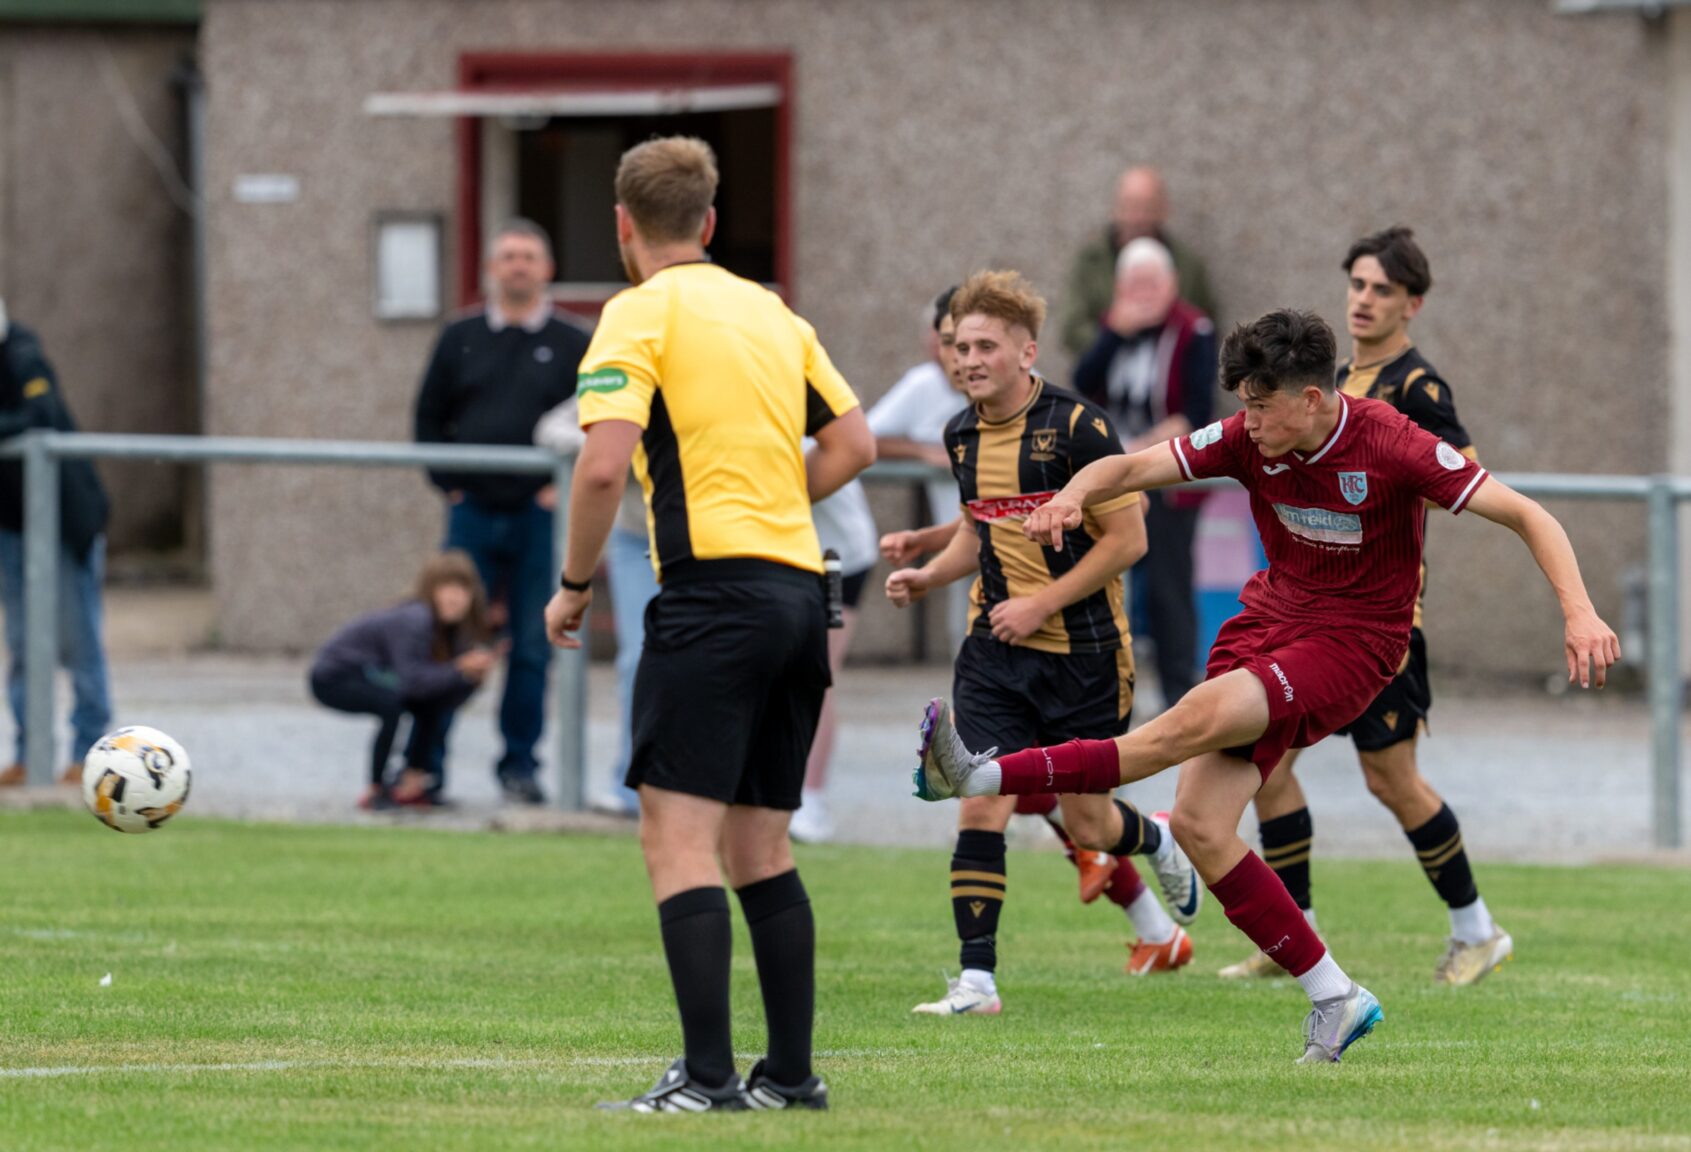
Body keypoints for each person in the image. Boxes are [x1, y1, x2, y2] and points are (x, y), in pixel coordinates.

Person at [911, 308, 1619, 1063]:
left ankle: (981, 771)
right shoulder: (1247, 439)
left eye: (1259, 403)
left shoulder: (1390, 442)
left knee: (1182, 724)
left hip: (1354, 643)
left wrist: (1577, 612)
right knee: (1200, 825)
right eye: (1241, 402)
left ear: (1310, 399)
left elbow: (1524, 513)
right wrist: (1071, 495)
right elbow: (1128, 467)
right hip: (1269, 620)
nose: (1245, 420)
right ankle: (1334, 997)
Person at [543, 136, 875, 1112]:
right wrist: (779, 495)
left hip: (712, 601)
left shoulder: (633, 314)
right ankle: (790, 1076)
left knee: (676, 844)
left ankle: (705, 1079)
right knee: (759, 849)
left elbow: (602, 465)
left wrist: (571, 586)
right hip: (797, 597)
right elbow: (850, 442)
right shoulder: (771, 312)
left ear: (621, 226)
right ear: (710, 223)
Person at [885, 270, 1201, 1017]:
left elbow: (1129, 540)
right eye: (958, 345)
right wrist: (929, 578)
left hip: (1085, 658)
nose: (967, 358)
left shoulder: (1078, 428)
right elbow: (978, 529)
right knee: (977, 798)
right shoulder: (960, 432)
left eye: (984, 345)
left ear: (1026, 352)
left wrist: (1043, 604)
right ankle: (976, 981)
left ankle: (1156, 841)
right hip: (993, 655)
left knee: (1089, 822)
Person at [1220, 227, 1509, 985]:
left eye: (1380, 289)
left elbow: (1462, 480)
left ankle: (1476, 929)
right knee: (1266, 760)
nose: (1363, 299)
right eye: (1355, 283)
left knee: (1391, 781)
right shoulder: (1336, 379)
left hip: (1379, 628)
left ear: (1411, 303)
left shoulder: (1415, 388)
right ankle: (1294, 933)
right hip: (1313, 619)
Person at [413, 218, 590, 805]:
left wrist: (562, 488)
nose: (518, 266)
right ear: (490, 269)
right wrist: (451, 485)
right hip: (471, 514)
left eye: (529, 257)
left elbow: (598, 420)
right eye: (508, 256)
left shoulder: (574, 342)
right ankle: (426, 764)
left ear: (548, 269)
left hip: (539, 515)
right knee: (448, 638)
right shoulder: (460, 336)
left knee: (534, 644)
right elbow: (428, 418)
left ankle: (520, 766)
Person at [1074, 237, 1216, 704]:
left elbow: (1196, 413)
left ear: (1173, 284)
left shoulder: (1194, 329)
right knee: (1103, 577)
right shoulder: (1112, 328)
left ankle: (1179, 694)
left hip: (1167, 478)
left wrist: (1131, 453)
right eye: (1134, 284)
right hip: (1112, 477)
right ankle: (1105, 688)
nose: (1143, 293)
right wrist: (1114, 333)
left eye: (1153, 283)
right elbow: (1081, 385)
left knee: (1167, 588)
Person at [0, 302, 112, 787]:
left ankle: (91, 753)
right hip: (13, 526)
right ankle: (31, 755)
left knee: (77, 643)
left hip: (64, 525)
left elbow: (40, 416)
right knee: (25, 644)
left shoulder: (23, 355)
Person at [534, 396, 649, 817]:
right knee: (640, 658)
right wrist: (625, 449)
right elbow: (554, 429)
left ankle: (712, 787)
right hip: (638, 533)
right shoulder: (628, 360)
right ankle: (634, 784)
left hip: (715, 532)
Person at [309, 551, 496, 809]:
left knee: (430, 704)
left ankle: (412, 784)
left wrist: (471, 678)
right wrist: (458, 669)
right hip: (333, 675)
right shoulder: (416, 618)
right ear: (431, 590)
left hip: (371, 675)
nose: (455, 597)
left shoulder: (450, 629)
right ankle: (376, 789)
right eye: (447, 587)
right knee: (391, 704)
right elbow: (413, 682)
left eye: (463, 588)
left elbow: (442, 693)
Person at [789, 468, 878, 844]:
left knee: (815, 673)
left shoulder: (807, 414)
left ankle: (811, 799)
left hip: (835, 556)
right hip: (783, 554)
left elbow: (856, 449)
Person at [1061, 165, 1218, 357]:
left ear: (1163, 209)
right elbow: (1071, 329)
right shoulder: (1090, 261)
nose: (1139, 218)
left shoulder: (1188, 265)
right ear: (1116, 209)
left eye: (1148, 207)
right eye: (1131, 206)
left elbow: (1206, 327)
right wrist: (1114, 332)